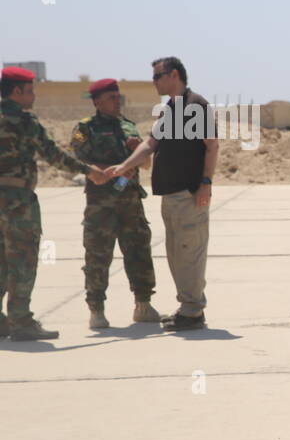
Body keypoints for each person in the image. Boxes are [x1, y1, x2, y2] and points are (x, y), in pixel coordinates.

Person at [107, 56, 218, 331]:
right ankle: (187, 307)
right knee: (177, 254)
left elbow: (212, 146)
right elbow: (150, 143)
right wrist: (125, 166)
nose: (154, 81)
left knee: (190, 253)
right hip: (171, 194)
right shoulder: (169, 109)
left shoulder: (196, 105)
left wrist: (206, 183)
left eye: (158, 76)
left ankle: (193, 312)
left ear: (174, 75)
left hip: (189, 193)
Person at [0, 65, 108, 341]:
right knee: (22, 260)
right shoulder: (25, 122)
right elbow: (53, 155)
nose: (33, 96)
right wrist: (88, 170)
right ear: (16, 92)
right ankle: (21, 321)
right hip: (18, 203)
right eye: (29, 91)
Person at [69, 79, 161, 328]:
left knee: (139, 251)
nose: (117, 101)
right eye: (111, 97)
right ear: (97, 102)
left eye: (118, 96)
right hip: (101, 204)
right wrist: (111, 172)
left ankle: (143, 304)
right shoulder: (85, 128)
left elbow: (145, 164)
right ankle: (96, 309)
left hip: (130, 201)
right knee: (98, 255)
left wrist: (137, 154)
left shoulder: (129, 127)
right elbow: (77, 161)